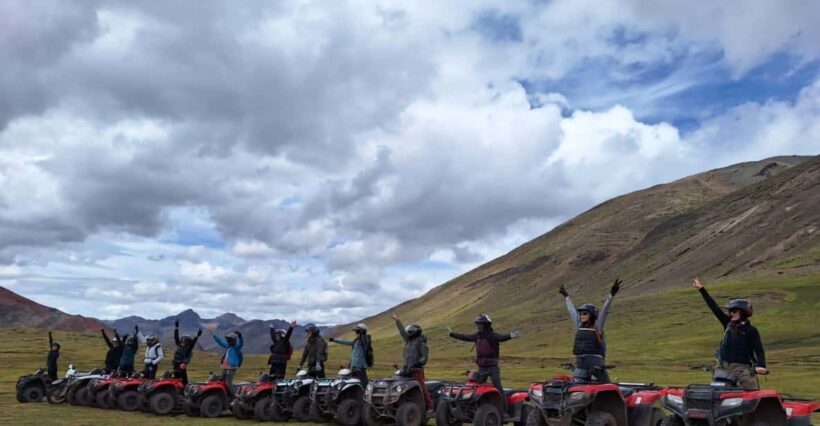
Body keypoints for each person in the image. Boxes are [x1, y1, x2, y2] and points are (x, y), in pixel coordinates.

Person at [692, 277, 767, 389]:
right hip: (723, 366)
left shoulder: (752, 330)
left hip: (742, 368)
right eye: (730, 311)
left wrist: (761, 366)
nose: (731, 313)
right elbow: (714, 308)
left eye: (734, 311)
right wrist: (701, 289)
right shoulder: (727, 324)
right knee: (718, 393)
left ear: (743, 312)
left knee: (752, 392)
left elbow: (759, 350)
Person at [446, 314, 521, 408]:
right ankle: (481, 407)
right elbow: (465, 337)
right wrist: (452, 334)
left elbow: (501, 337)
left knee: (497, 387)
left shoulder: (492, 335)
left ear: (486, 325)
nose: (478, 326)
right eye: (477, 324)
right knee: (479, 388)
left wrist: (510, 336)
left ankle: (504, 408)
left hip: (492, 367)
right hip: (481, 367)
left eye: (480, 324)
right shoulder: (477, 336)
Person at [559, 278, 622, 383]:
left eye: (585, 313)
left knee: (606, 385)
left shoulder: (597, 326)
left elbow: (605, 310)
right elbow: (571, 311)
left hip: (594, 361)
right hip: (581, 361)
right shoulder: (579, 325)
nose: (581, 316)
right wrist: (566, 297)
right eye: (580, 314)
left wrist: (611, 295)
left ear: (592, 315)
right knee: (578, 384)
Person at [393, 313, 432, 412]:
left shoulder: (421, 343)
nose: (408, 333)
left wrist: (418, 363)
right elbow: (402, 332)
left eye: (409, 332)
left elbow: (424, 357)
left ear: (414, 333)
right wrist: (397, 321)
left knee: (421, 387)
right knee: (398, 384)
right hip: (406, 369)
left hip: (416, 370)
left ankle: (429, 406)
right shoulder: (409, 341)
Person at [211, 327, 243, 399]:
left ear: (233, 341)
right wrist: (213, 334)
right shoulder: (228, 346)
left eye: (229, 340)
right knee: (222, 380)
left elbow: (241, 343)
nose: (228, 341)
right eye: (228, 340)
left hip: (231, 368)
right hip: (224, 367)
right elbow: (220, 342)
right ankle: (225, 395)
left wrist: (240, 336)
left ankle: (234, 397)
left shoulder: (236, 348)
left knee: (228, 383)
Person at [172, 319, 202, 385]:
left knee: (184, 380)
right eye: (182, 341)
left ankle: (184, 388)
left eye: (184, 342)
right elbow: (176, 337)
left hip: (181, 365)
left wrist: (197, 336)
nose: (182, 343)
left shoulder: (188, 349)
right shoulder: (178, 345)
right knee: (176, 378)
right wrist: (176, 327)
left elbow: (193, 343)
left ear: (188, 343)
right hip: (175, 365)